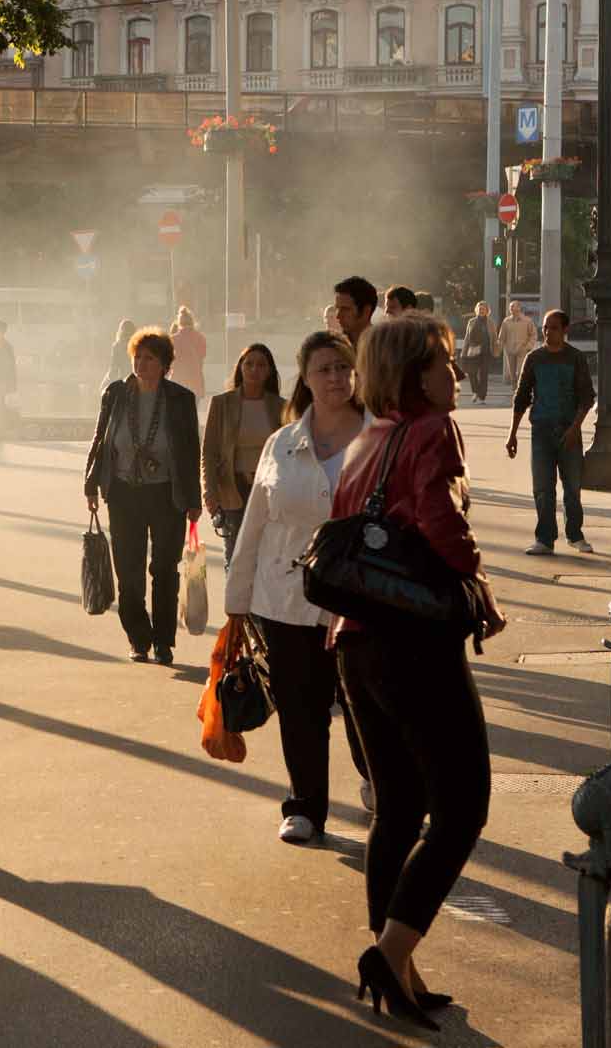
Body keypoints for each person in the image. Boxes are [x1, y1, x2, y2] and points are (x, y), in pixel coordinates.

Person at [332, 313, 499, 1029]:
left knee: (398, 808)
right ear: (414, 373)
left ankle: (397, 964)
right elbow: (440, 521)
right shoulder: (431, 432)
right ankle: (388, 953)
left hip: (357, 642)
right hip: (415, 643)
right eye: (444, 365)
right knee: (462, 807)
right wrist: (478, 584)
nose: (455, 377)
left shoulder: (367, 440)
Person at [226, 331, 370, 845]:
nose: (334, 377)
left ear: (355, 375)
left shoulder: (379, 439)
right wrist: (237, 602)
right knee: (300, 708)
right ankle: (305, 806)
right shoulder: (281, 444)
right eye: (322, 369)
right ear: (306, 379)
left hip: (360, 599)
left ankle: (378, 779)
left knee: (363, 704)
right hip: (284, 597)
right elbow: (255, 524)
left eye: (342, 368)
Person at [83, 327, 201, 664]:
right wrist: (91, 482)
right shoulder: (116, 394)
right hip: (123, 494)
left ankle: (164, 641)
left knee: (165, 569)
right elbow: (100, 439)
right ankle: (138, 637)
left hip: (167, 495)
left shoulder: (180, 399)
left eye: (149, 358)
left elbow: (190, 451)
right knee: (129, 572)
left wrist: (194, 500)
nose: (141, 363)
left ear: (164, 364)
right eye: (138, 356)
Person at [506, 309, 598, 555]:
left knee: (572, 487)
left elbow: (586, 398)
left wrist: (574, 428)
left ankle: (575, 535)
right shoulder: (534, 358)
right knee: (543, 488)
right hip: (542, 430)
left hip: (569, 431)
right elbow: (522, 397)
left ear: (565, 330)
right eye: (545, 327)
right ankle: (545, 538)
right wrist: (512, 433)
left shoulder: (575, 359)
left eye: (554, 327)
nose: (548, 332)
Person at [201, 343, 284, 569]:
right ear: (240, 368)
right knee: (235, 557)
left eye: (261, 365)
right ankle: (235, 604)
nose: (254, 370)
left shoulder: (280, 407)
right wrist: (209, 489)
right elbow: (209, 450)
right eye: (249, 364)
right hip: (232, 489)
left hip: (268, 490)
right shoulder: (221, 404)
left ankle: (259, 604)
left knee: (265, 558)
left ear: (269, 371)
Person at [459, 302, 496, 404]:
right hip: (473, 351)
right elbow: (467, 338)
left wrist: (496, 349)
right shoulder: (471, 321)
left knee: (484, 374)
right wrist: (464, 352)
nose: (481, 311)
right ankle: (475, 391)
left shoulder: (491, 323)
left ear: (487, 311)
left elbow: (494, 338)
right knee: (472, 373)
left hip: (486, 352)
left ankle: (482, 397)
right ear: (477, 310)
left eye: (483, 309)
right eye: (480, 309)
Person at [170, 307, 209, 398]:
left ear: (178, 322)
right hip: (196, 381)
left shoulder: (173, 339)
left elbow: (170, 361)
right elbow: (202, 356)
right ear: (192, 321)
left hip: (178, 381)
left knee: (177, 411)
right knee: (193, 410)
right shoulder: (200, 338)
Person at [496, 300, 537, 386]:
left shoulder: (527, 321)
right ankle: (514, 389)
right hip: (510, 351)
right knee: (512, 374)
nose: (511, 309)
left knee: (520, 372)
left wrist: (528, 347)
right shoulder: (506, 321)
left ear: (519, 308)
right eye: (510, 308)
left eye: (513, 307)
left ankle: (520, 389)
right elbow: (501, 337)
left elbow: (533, 335)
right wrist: (499, 349)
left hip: (522, 350)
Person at [333, 276, 379, 349]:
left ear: (366, 311)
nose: (338, 316)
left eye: (345, 309)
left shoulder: (382, 348)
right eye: (337, 308)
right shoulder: (336, 349)